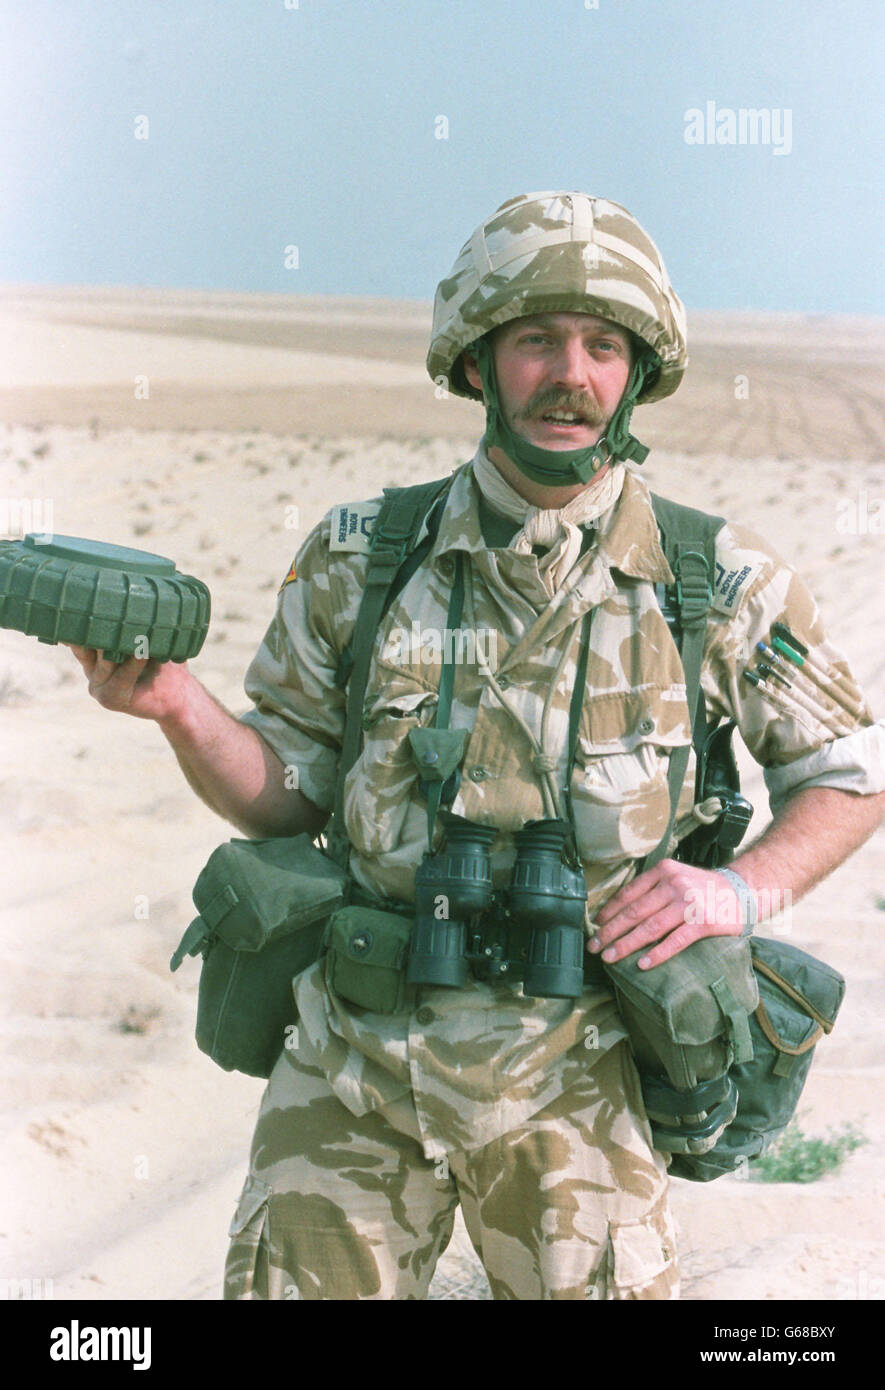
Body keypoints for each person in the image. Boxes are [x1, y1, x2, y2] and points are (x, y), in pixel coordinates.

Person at [71, 191, 885, 1300]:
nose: (572, 373)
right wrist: (178, 707)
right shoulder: (364, 555)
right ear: (476, 364)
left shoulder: (718, 580)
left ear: (636, 376)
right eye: (537, 339)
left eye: (604, 346)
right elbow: (289, 789)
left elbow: (849, 773)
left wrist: (733, 895)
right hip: (355, 1054)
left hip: (581, 1068)